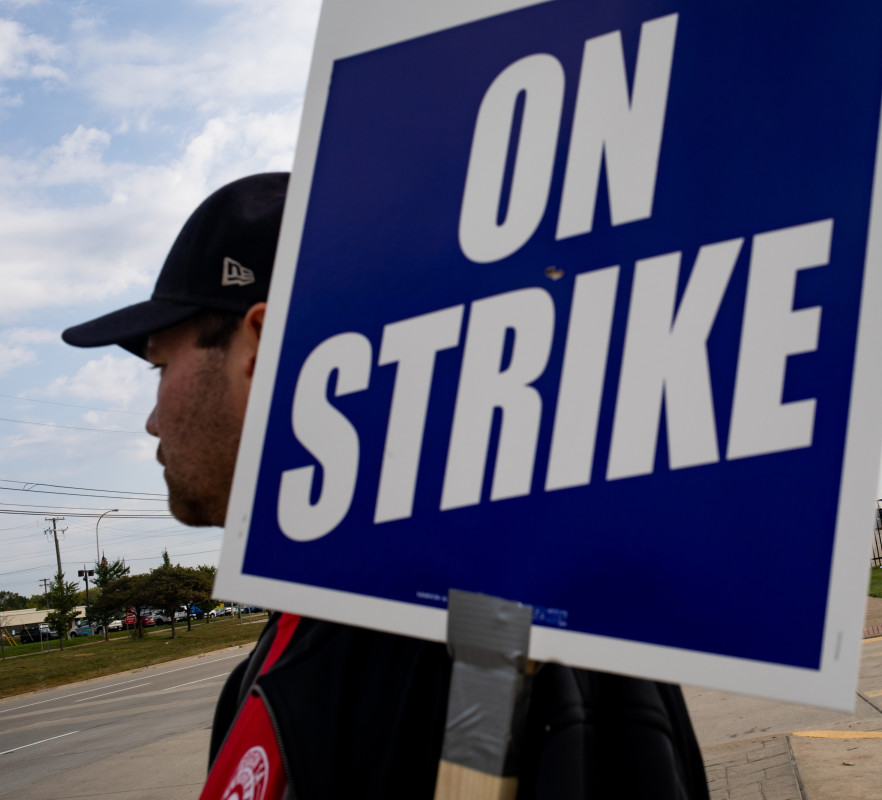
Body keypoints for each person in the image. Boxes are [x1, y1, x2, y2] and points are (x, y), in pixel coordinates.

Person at [63, 173, 708, 799]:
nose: (151, 419)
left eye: (158, 368)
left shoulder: (501, 653)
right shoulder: (269, 666)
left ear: (260, 350)